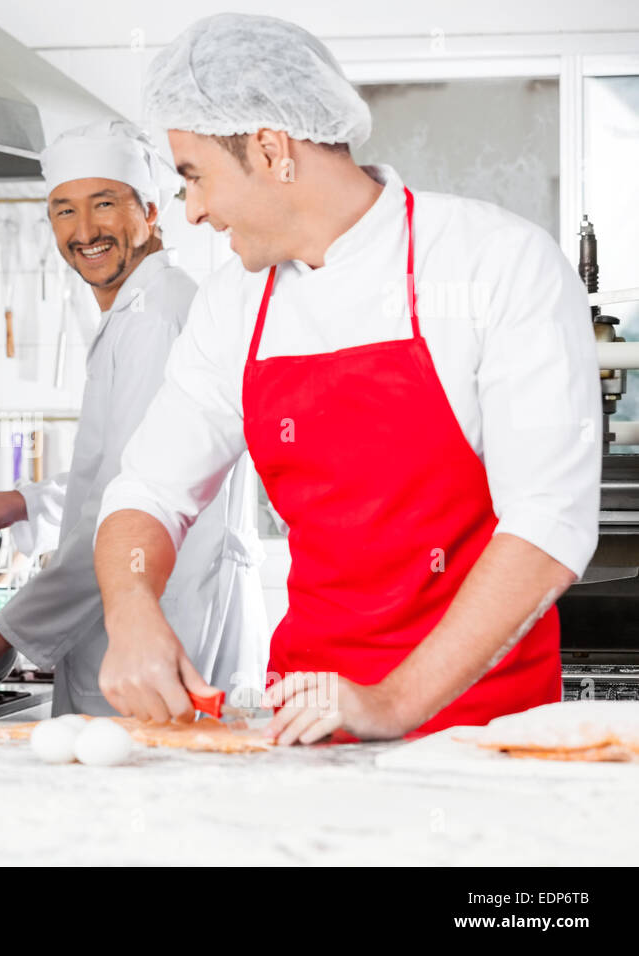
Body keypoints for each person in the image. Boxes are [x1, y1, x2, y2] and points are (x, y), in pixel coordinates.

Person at [94, 13, 601, 744]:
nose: (195, 210)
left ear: (270, 150)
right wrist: (133, 607)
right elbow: (148, 491)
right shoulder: (235, 305)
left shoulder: (494, 264)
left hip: (487, 737)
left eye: (195, 177)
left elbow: (547, 523)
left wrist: (392, 703)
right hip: (303, 729)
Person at [0, 120, 268, 716]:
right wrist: (27, 503)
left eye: (105, 205)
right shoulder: (138, 313)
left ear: (151, 211)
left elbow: (125, 506)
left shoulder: (157, 318)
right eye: (63, 211)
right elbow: (132, 470)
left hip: (175, 620)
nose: (84, 232)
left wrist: (6, 629)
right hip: (158, 620)